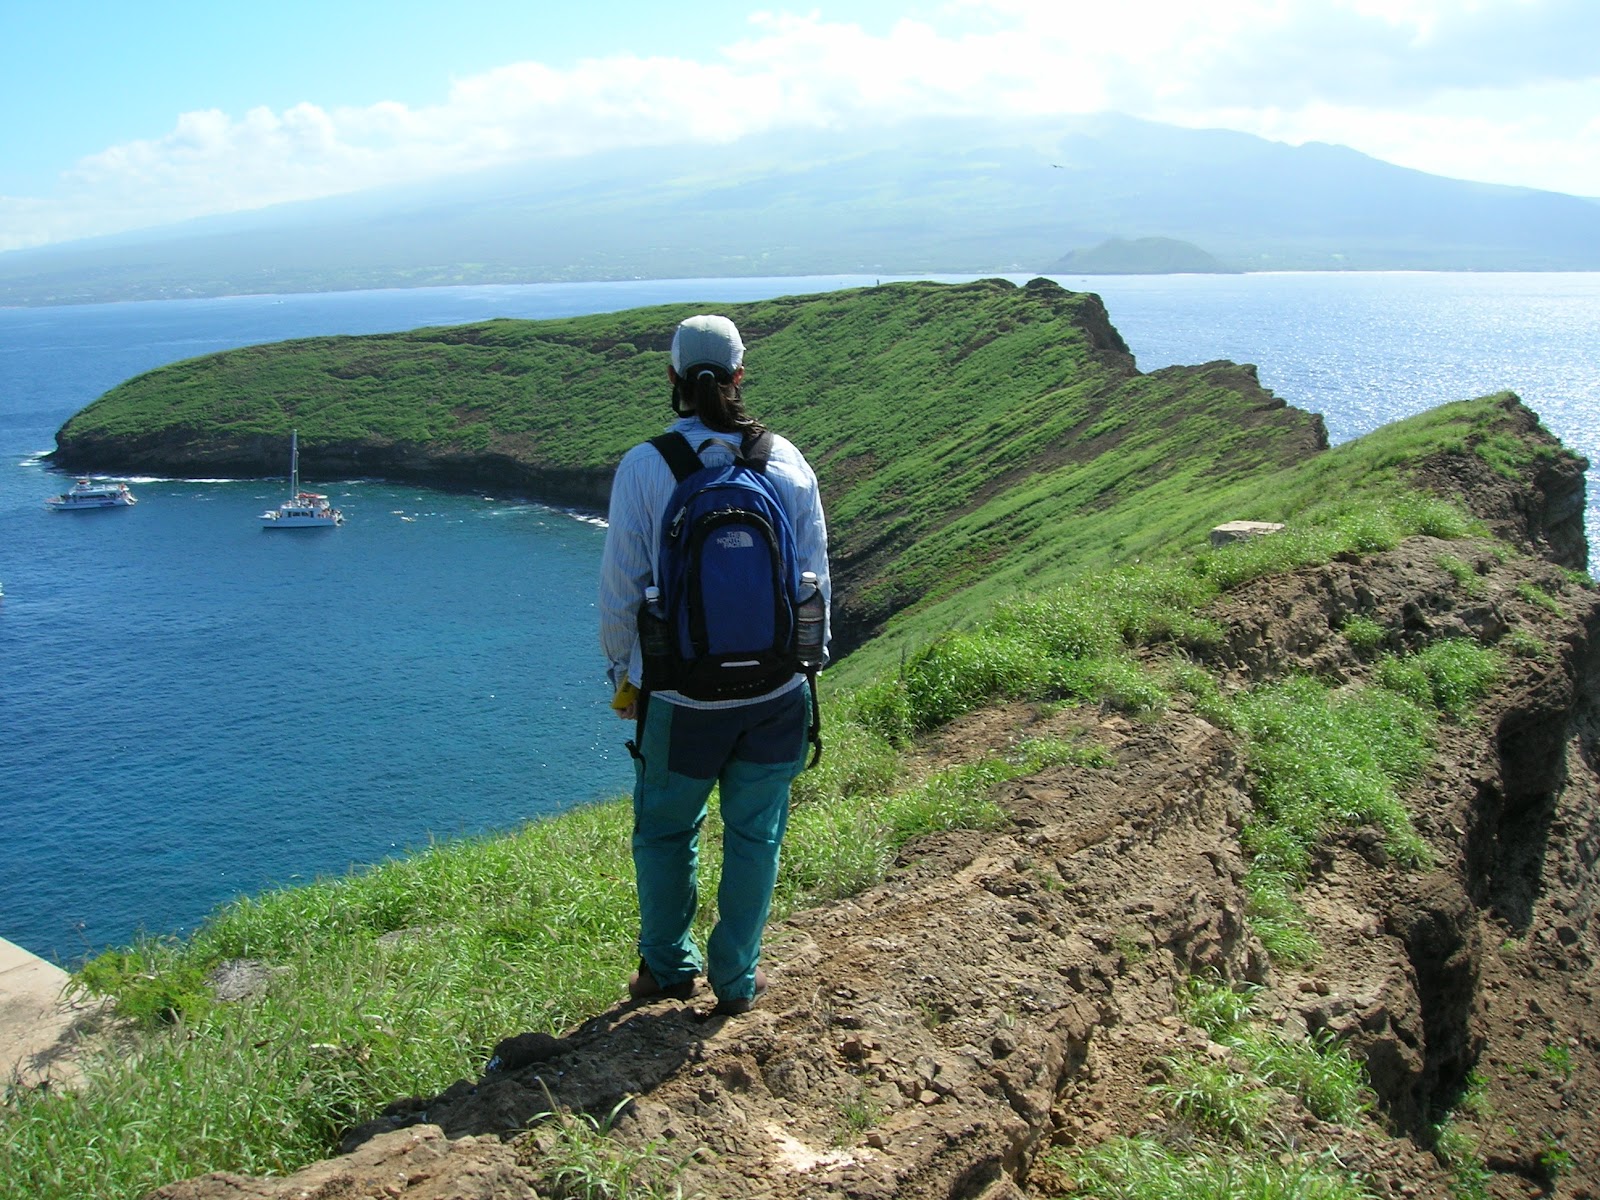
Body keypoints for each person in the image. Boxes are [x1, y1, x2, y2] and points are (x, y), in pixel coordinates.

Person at [598, 314, 830, 1016]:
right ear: (739, 375)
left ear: (671, 378)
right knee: (757, 834)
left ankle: (667, 971)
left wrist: (625, 680)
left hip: (683, 697)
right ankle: (738, 980)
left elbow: (620, 592)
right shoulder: (787, 462)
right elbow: (814, 582)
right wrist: (803, 673)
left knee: (666, 832)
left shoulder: (646, 466)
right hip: (774, 692)